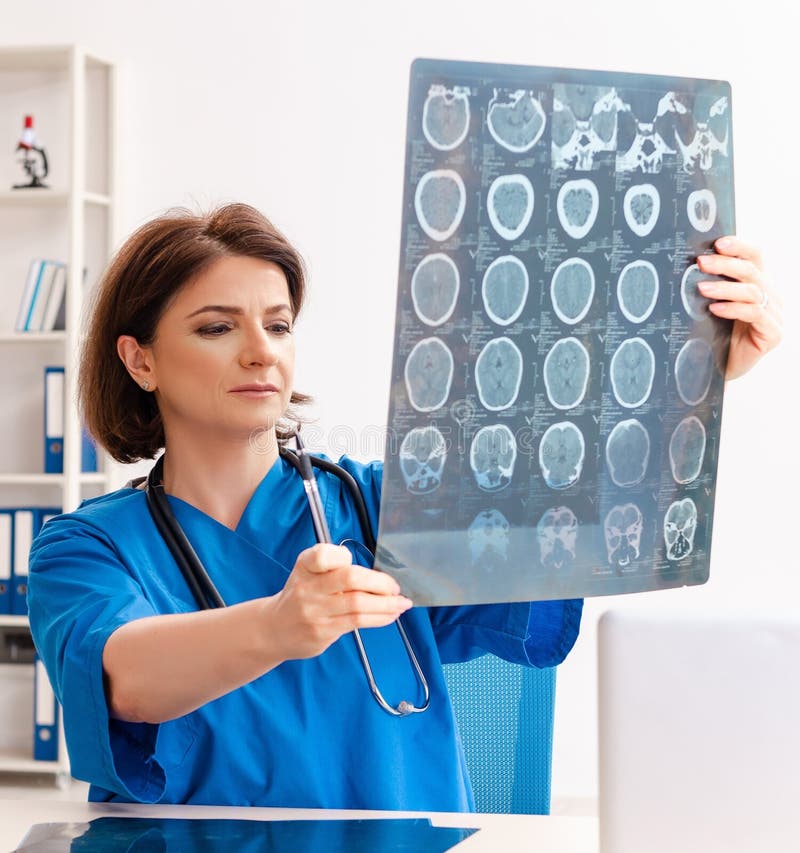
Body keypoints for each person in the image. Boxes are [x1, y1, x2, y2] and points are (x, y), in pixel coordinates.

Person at [26, 203, 780, 811]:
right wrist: (278, 624)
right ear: (140, 358)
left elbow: (578, 510)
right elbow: (120, 677)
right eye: (217, 327)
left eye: (279, 323)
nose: (262, 351)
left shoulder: (386, 504)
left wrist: (694, 371)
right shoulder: (87, 547)